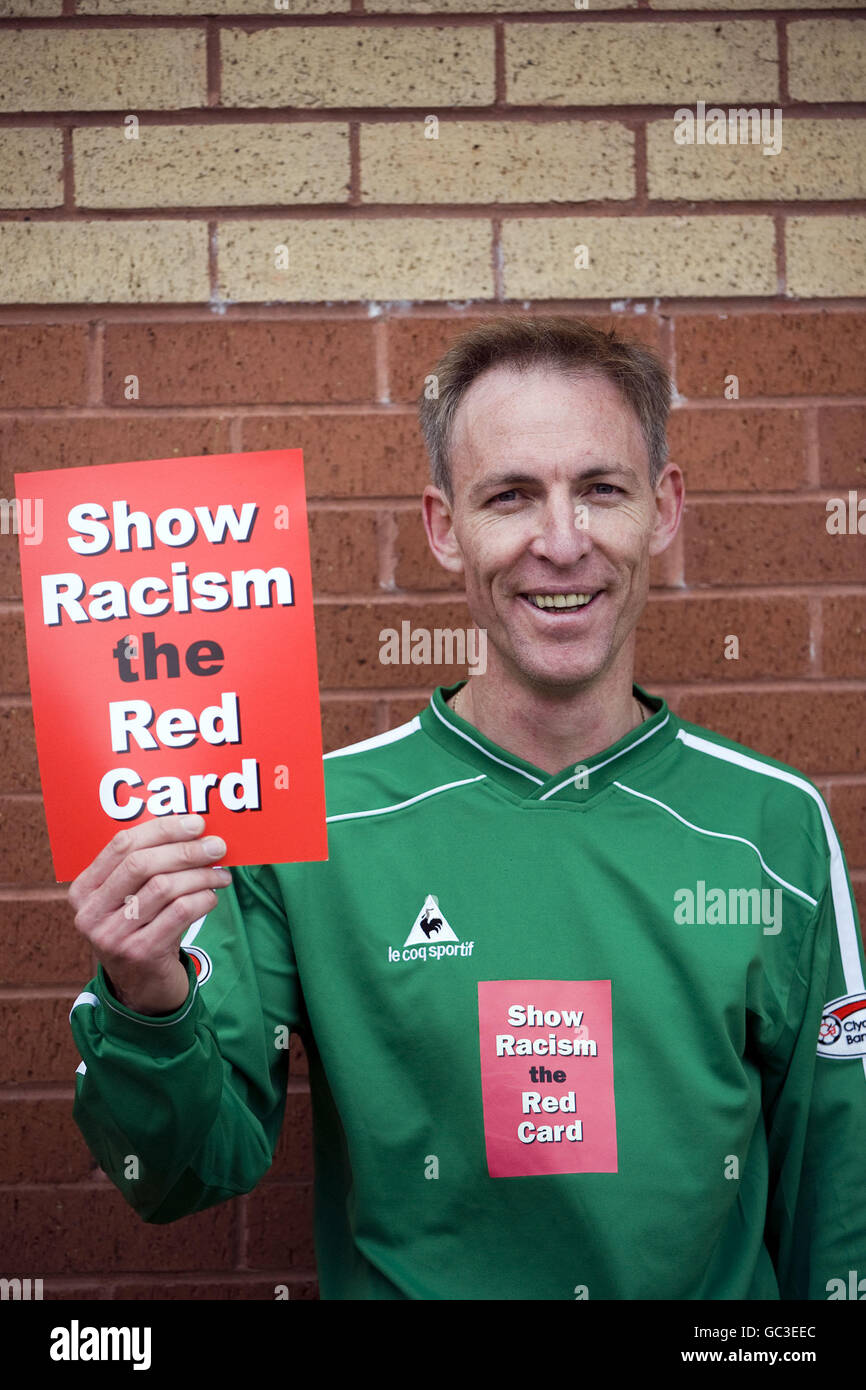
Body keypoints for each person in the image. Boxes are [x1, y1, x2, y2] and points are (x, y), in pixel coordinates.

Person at [68, 316, 866, 1300]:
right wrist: (148, 1003)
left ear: (662, 509)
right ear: (444, 527)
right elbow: (185, 1172)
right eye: (510, 496)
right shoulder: (315, 826)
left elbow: (840, 1191)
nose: (561, 543)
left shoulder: (771, 825)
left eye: (600, 489)